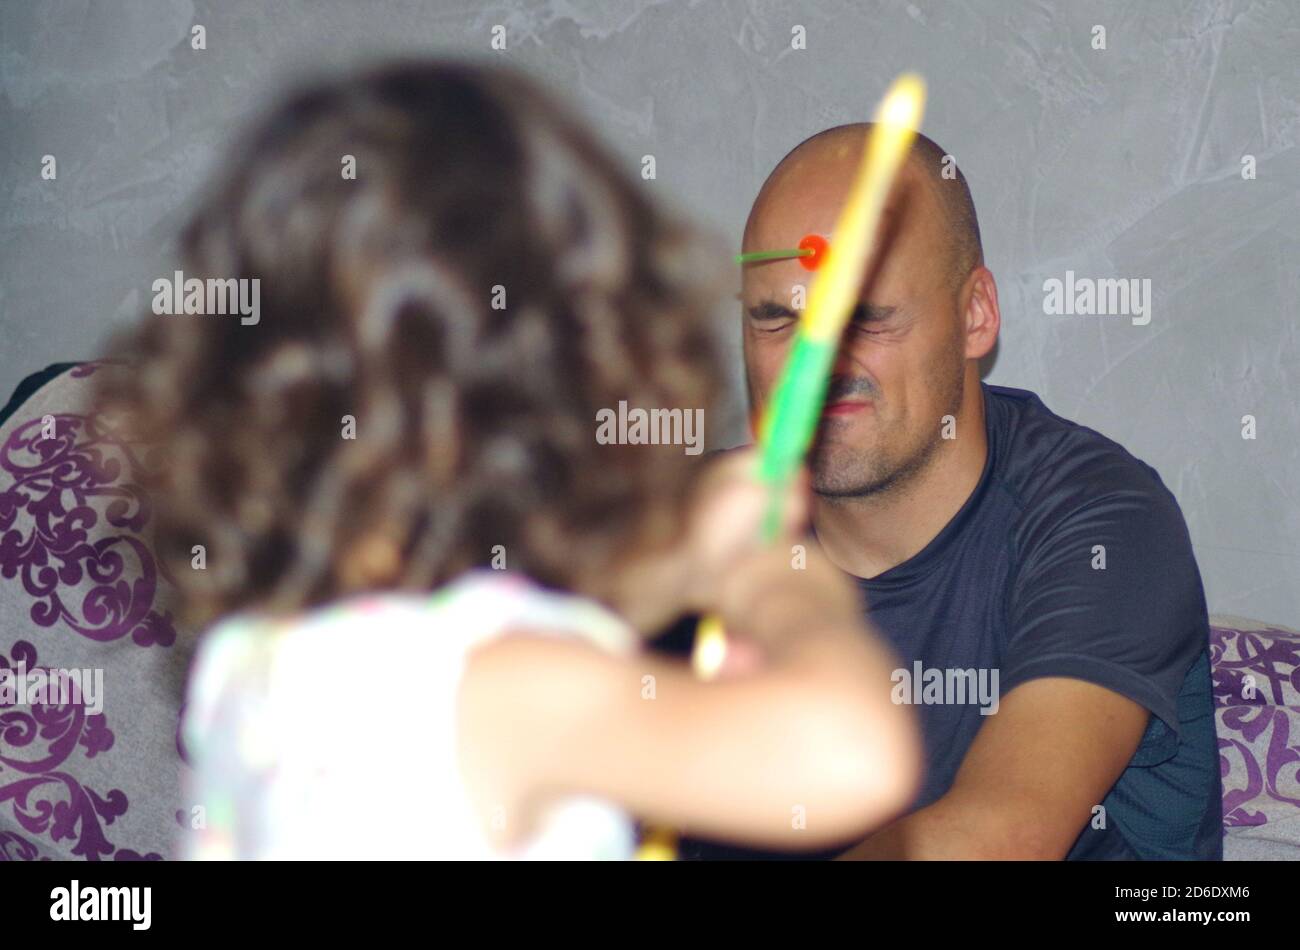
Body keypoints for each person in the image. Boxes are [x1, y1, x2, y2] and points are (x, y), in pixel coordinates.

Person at [95, 64, 920, 860]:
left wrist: (683, 569)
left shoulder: (248, 671)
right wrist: (775, 579)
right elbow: (853, 756)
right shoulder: (502, 690)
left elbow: (533, 628)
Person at [705, 123, 1221, 860]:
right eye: (777, 320)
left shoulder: (1103, 522)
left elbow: (999, 836)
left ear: (975, 315)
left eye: (868, 318)